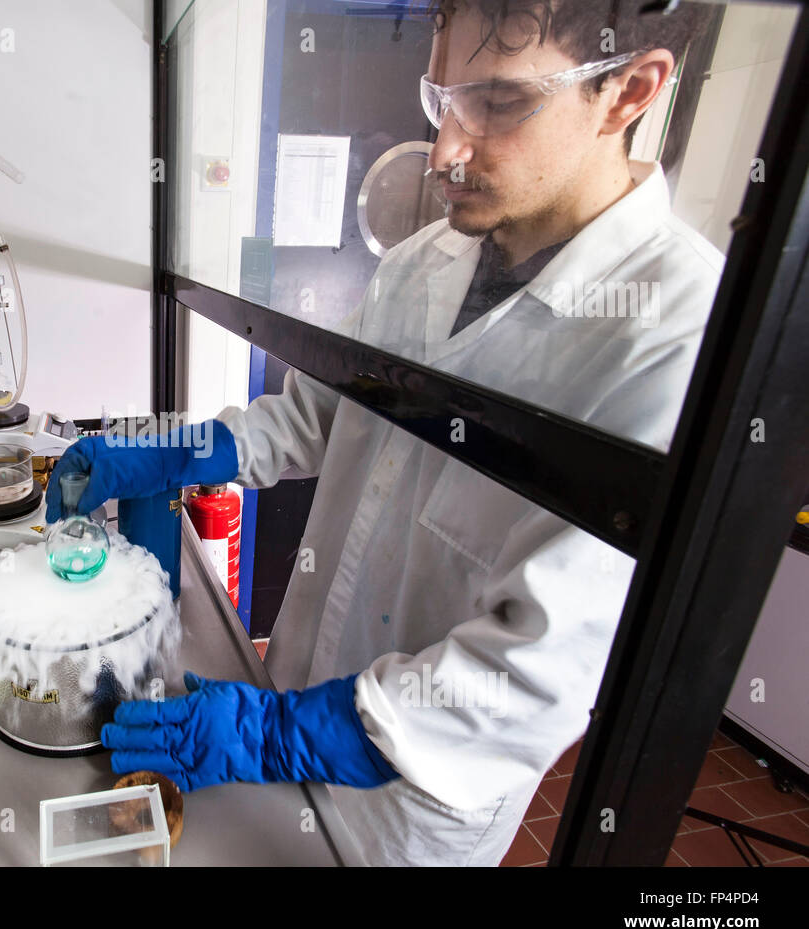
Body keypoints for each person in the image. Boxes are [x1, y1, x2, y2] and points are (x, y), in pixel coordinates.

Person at [45, 0, 724, 865]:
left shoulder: (674, 338)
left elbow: (532, 678)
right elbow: (320, 416)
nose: (445, 149)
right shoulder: (420, 263)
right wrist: (174, 451)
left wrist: (279, 735)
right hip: (298, 682)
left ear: (631, 88)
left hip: (409, 796)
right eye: (442, 98)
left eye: (500, 103)